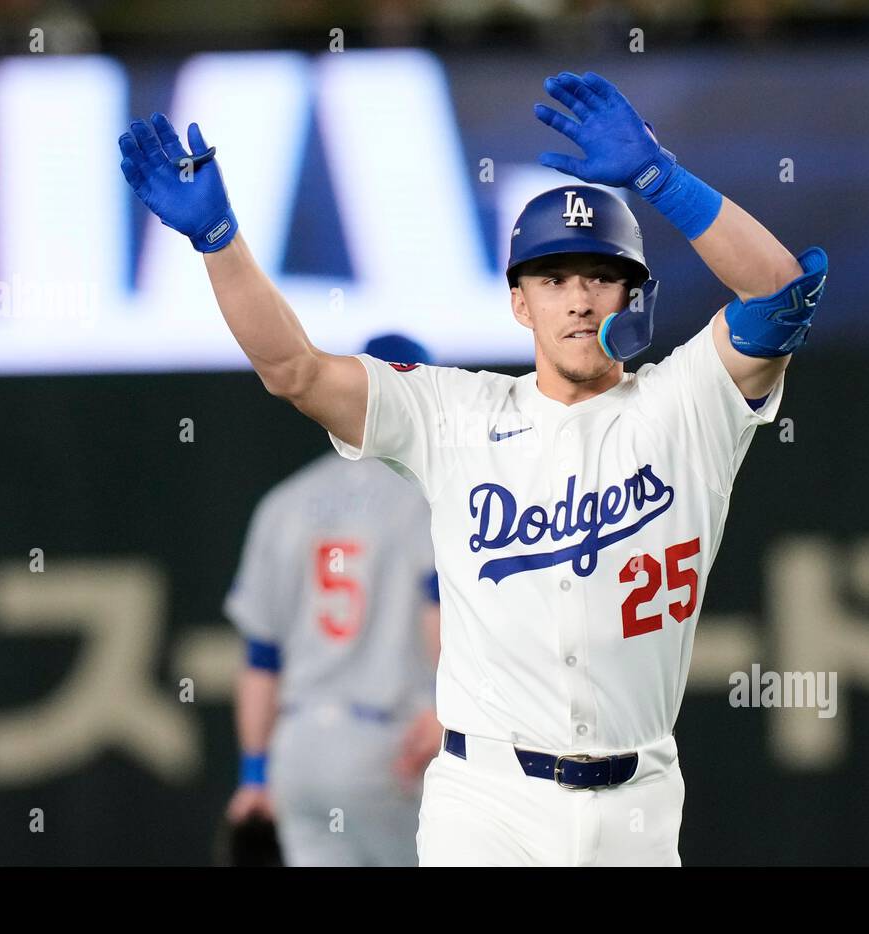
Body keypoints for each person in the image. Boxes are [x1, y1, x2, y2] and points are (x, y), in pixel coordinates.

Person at [120, 69, 826, 866]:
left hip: (641, 801)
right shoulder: (455, 413)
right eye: (553, 278)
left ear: (637, 298)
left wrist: (660, 177)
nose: (580, 299)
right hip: (487, 800)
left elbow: (785, 293)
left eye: (602, 276)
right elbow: (298, 373)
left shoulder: (689, 403)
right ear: (519, 303)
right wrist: (221, 245)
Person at [222, 333, 443, 867]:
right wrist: (447, 710)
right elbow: (438, 611)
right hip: (390, 745)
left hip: (298, 750)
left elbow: (260, 658)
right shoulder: (429, 490)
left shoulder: (286, 502)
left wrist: (255, 772)